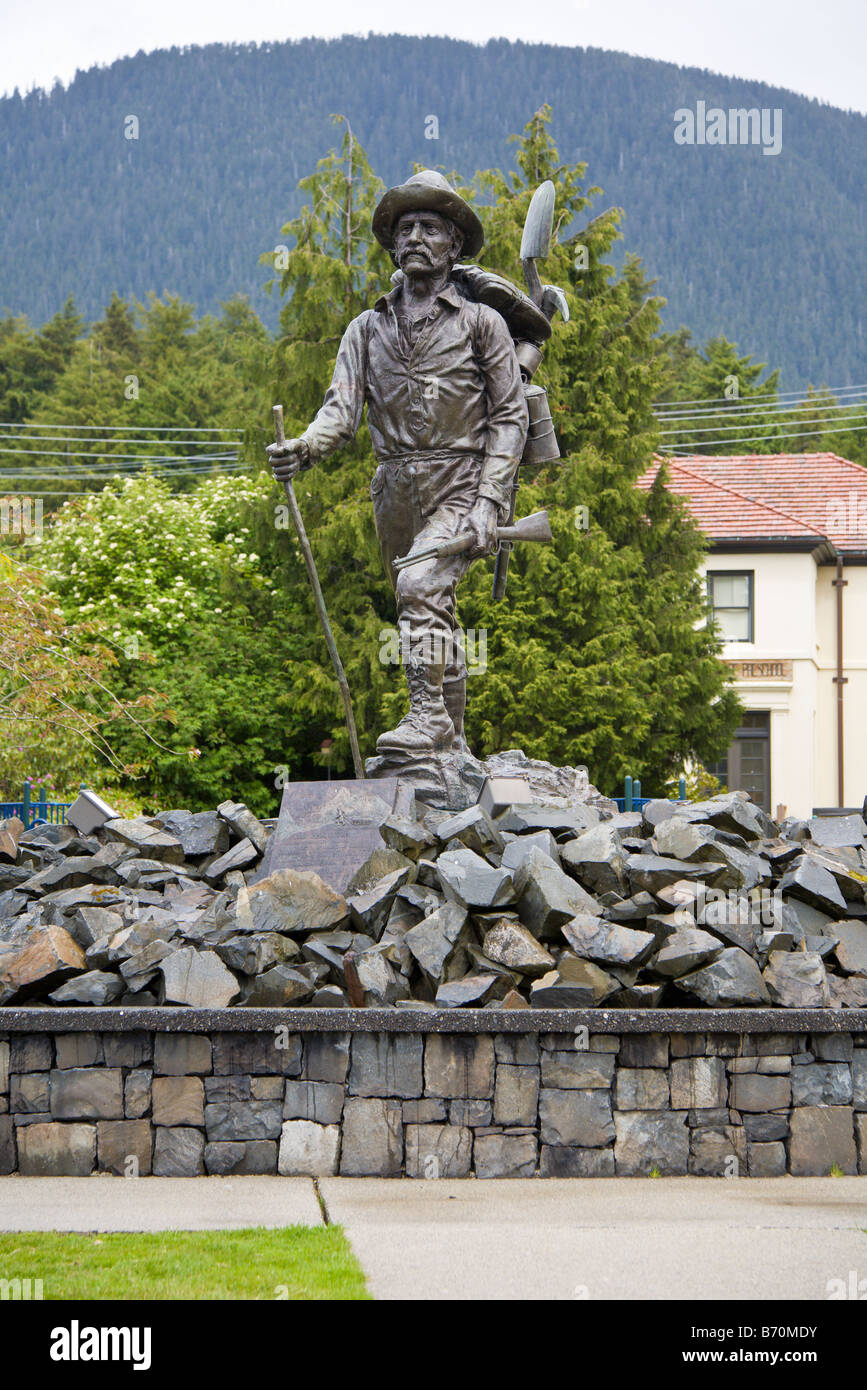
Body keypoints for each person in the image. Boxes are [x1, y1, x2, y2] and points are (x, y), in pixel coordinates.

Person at [267, 169, 529, 757]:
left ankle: (428, 717)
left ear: (454, 244)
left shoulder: (482, 324)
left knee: (418, 585)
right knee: (429, 603)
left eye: (430, 228)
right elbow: (339, 412)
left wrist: (490, 501)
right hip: (394, 491)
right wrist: (303, 448)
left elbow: (510, 418)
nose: (415, 237)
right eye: (405, 227)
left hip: (462, 482)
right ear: (392, 243)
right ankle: (453, 747)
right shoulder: (366, 329)